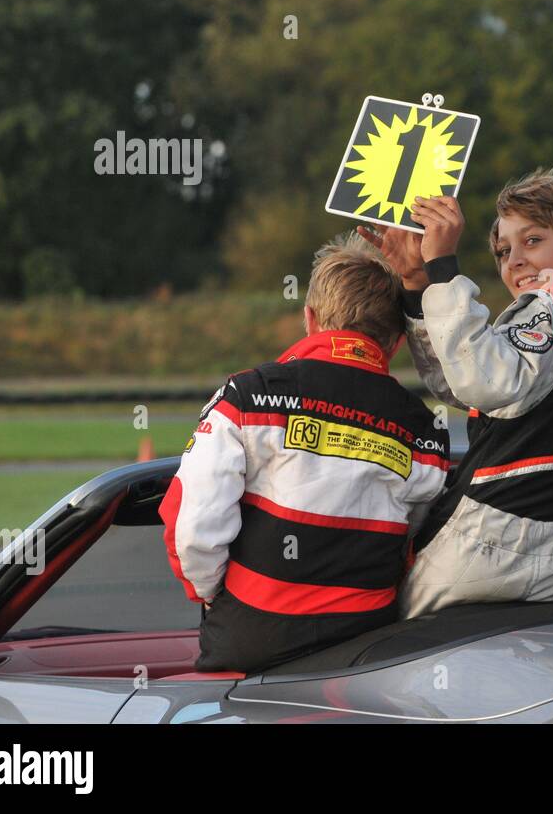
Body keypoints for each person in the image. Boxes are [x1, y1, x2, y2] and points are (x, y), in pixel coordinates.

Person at [159, 232, 449, 674]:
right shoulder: (424, 428)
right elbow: (414, 542)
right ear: (395, 342)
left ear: (310, 318)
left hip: (252, 638)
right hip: (369, 645)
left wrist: (215, 593)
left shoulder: (249, 395)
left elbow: (193, 526)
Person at [369, 169, 553, 617]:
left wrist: (443, 269)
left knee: (373, 636)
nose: (514, 260)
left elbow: (482, 380)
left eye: (533, 241)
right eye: (503, 250)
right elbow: (463, 380)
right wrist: (418, 284)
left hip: (490, 543)